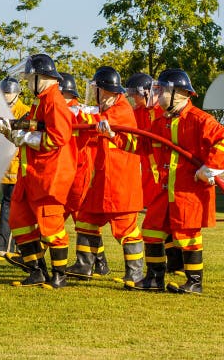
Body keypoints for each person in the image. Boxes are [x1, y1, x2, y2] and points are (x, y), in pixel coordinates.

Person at [122, 69, 224, 293]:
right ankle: (154, 279)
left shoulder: (200, 119)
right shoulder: (161, 121)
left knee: (188, 236)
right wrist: (113, 136)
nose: (158, 95)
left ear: (178, 93)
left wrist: (211, 167)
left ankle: (194, 282)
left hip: (189, 190)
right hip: (165, 191)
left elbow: (221, 140)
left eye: (162, 90)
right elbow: (143, 145)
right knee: (151, 230)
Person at [0, 54, 76, 288]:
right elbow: (27, 128)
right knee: (19, 221)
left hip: (48, 176)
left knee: (51, 229)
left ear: (42, 78)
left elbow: (59, 137)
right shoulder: (40, 101)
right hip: (29, 176)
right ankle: (36, 271)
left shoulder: (54, 101)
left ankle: (60, 276)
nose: (28, 82)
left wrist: (25, 137)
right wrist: (8, 129)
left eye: (30, 78)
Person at [67, 66, 144, 284]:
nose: (94, 94)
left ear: (105, 90)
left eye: (96, 89)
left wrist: (73, 112)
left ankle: (135, 273)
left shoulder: (120, 109)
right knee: (86, 220)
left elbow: (96, 120)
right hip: (103, 180)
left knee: (126, 229)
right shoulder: (110, 107)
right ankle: (84, 266)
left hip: (120, 182)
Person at [125, 73, 183, 275]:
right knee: (160, 222)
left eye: (136, 95)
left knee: (167, 221)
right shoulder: (137, 112)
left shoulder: (165, 111)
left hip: (166, 173)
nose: (134, 99)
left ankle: (176, 264)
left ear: (149, 92)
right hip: (149, 175)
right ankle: (173, 265)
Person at [59, 73, 110, 277]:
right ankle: (99, 262)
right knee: (78, 219)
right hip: (72, 169)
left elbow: (86, 118)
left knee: (83, 219)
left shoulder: (77, 111)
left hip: (81, 169)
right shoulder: (69, 109)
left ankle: (95, 262)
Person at [0, 77, 30, 262]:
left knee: (14, 209)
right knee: (6, 207)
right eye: (3, 93)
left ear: (17, 93)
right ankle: (2, 247)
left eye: (9, 93)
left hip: (18, 167)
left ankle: (12, 248)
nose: (6, 96)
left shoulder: (25, 111)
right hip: (4, 169)